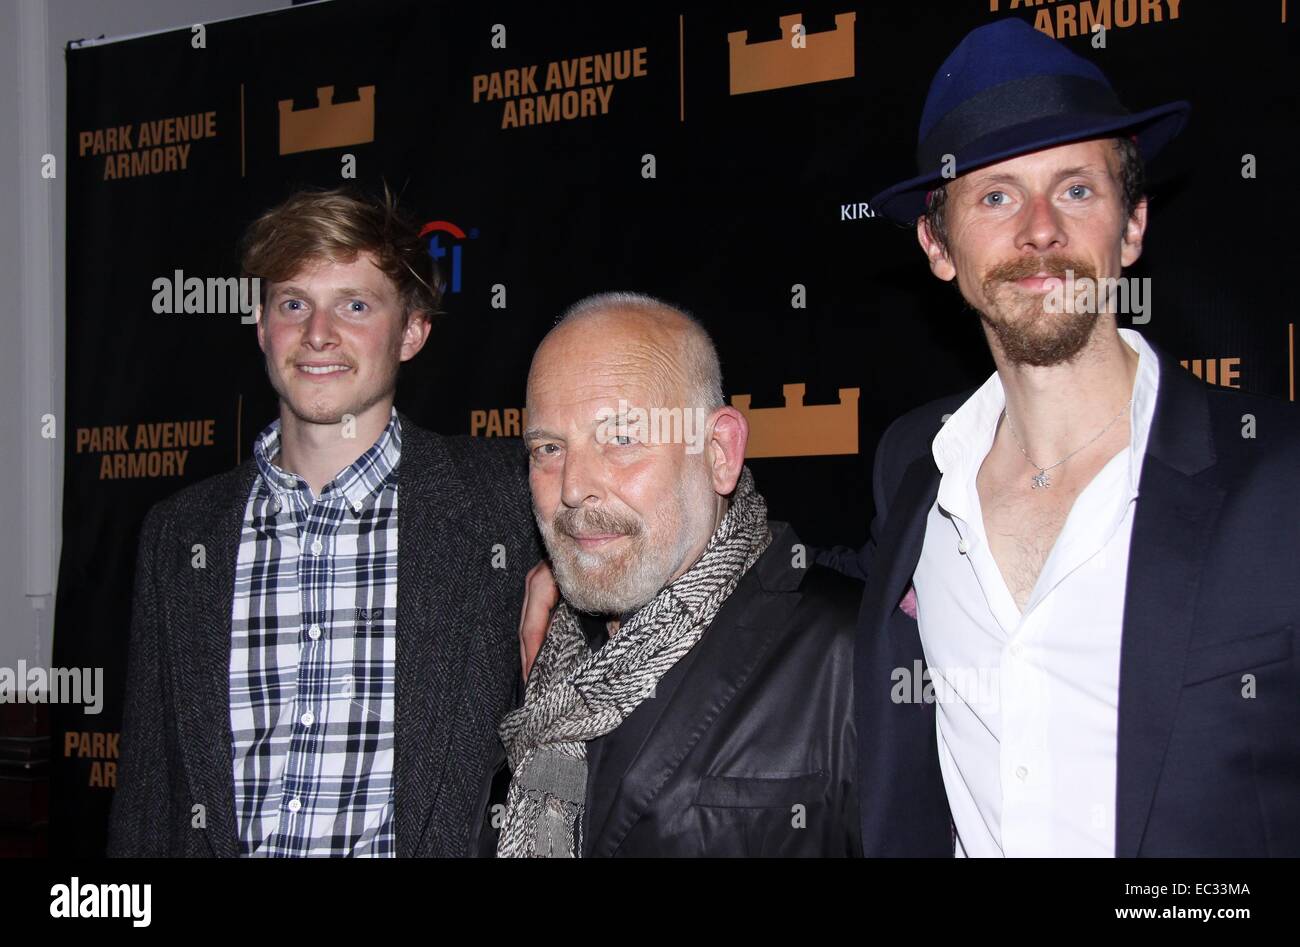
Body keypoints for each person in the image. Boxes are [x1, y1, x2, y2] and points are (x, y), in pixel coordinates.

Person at [821, 18, 1300, 856]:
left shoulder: (1279, 478)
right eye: (996, 194)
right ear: (938, 245)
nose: (1040, 228)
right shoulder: (914, 468)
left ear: (1134, 223)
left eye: (1076, 189)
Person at [108, 187, 541, 856]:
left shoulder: (505, 503)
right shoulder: (180, 533)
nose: (317, 334)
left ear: (413, 331)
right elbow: (147, 796)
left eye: (356, 305)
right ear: (260, 324)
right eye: (294, 303)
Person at [478, 292, 861, 857]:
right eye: (550, 448)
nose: (572, 487)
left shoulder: (851, 655)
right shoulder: (534, 651)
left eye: (622, 439)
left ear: (720, 453)